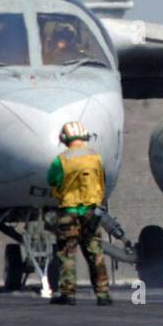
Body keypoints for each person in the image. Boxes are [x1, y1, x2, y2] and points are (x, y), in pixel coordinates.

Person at [47, 121, 111, 305]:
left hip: (69, 212)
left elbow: (52, 180)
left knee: (67, 253)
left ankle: (68, 294)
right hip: (92, 211)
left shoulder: (61, 160)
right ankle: (103, 294)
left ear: (65, 138)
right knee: (95, 253)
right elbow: (102, 180)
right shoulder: (96, 158)